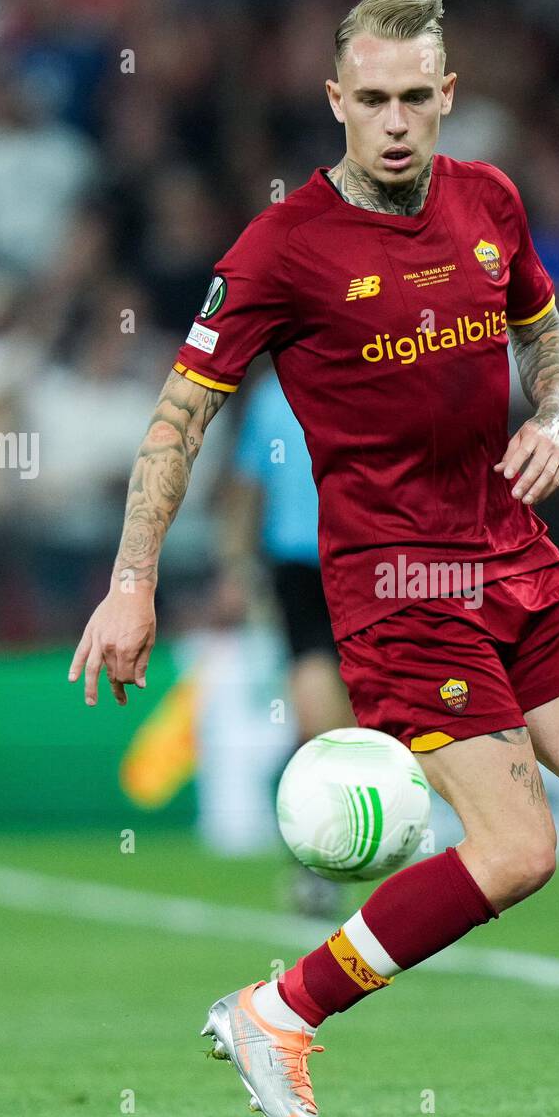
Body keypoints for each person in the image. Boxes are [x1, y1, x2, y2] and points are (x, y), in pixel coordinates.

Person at [70, 0, 559, 1117]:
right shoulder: (281, 247)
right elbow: (180, 415)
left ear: (446, 97)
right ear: (336, 101)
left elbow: (547, 337)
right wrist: (134, 579)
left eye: (417, 100)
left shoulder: (489, 200)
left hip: (518, 556)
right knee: (518, 853)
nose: (396, 124)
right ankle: (278, 1010)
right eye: (373, 101)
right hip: (399, 587)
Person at [218, 369, 353, 912]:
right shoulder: (278, 395)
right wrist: (233, 565)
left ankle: (331, 840)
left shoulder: (372, 371)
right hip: (307, 568)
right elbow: (248, 487)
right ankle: (317, 859)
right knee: (322, 716)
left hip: (370, 563)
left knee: (354, 722)